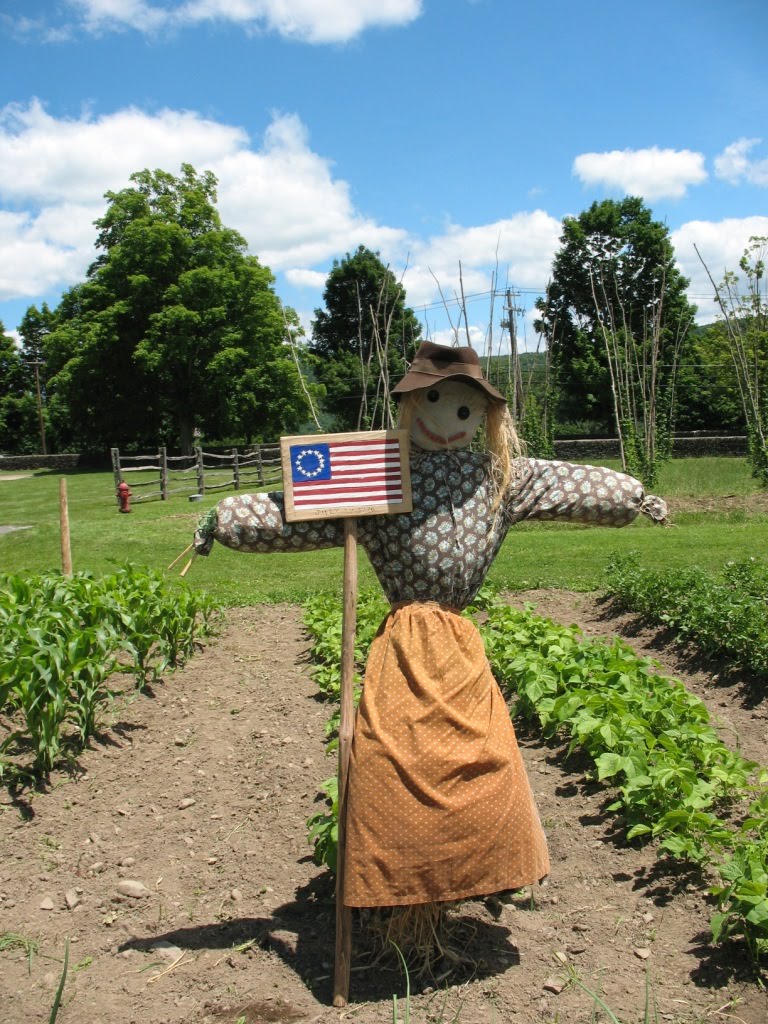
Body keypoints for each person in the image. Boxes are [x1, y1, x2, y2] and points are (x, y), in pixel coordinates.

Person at [193, 342, 667, 912]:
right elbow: (300, 510)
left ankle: (486, 870)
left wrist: (633, 496)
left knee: (484, 756)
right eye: (435, 402)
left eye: (465, 409)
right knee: (393, 760)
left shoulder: (500, 477)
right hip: (404, 645)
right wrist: (228, 519)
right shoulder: (379, 474)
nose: (448, 419)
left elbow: (568, 484)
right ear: (412, 405)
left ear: (485, 417)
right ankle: (398, 892)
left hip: (458, 645)